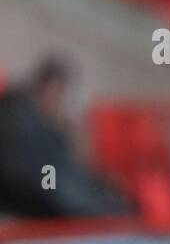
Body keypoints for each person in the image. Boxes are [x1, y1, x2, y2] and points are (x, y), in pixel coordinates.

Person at [0, 56, 130, 219]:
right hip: (33, 215)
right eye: (61, 93)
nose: (62, 102)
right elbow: (50, 186)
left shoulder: (32, 121)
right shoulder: (22, 123)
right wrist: (104, 207)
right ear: (49, 88)